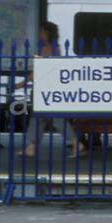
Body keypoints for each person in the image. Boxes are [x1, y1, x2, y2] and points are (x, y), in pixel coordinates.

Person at [21, 21, 85, 158]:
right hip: (49, 88)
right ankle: (31, 147)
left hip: (45, 89)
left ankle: (76, 143)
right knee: (39, 118)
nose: (39, 34)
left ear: (46, 32)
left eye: (41, 31)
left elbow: (39, 70)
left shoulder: (47, 49)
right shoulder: (56, 48)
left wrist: (21, 84)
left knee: (55, 119)